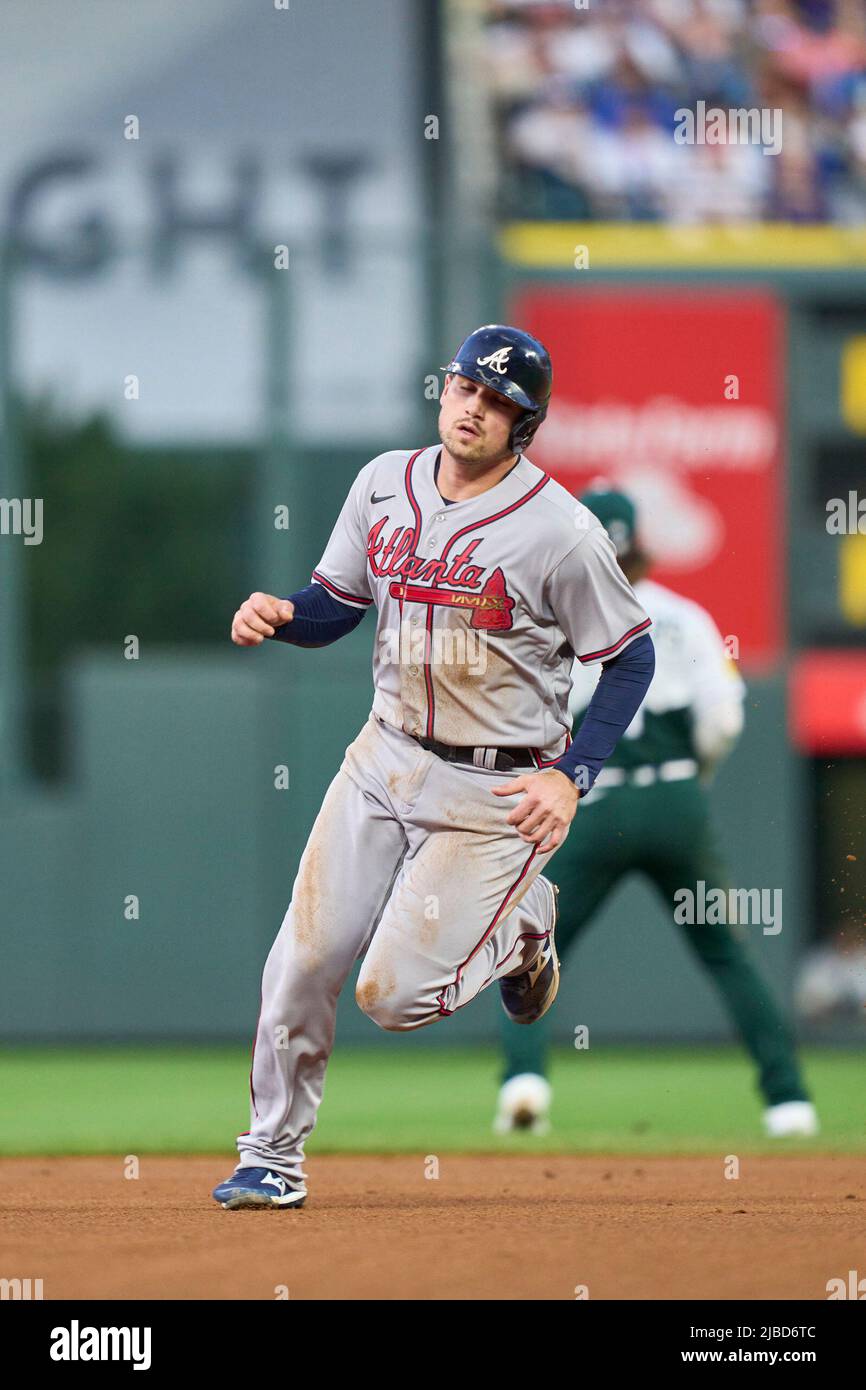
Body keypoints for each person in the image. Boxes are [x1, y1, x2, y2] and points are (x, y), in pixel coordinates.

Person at [211, 327, 655, 1209]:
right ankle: (272, 1155)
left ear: (523, 425)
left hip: (497, 788)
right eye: (465, 389)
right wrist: (281, 614)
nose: (474, 410)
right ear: (444, 388)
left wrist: (573, 775)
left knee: (393, 996)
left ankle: (527, 927)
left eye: (498, 404)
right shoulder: (384, 482)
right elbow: (336, 602)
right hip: (383, 758)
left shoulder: (560, 532)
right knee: (302, 962)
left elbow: (631, 657)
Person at [495, 486, 818, 1141]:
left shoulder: (556, 621)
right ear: (639, 544)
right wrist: (688, 783)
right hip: (674, 798)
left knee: (532, 943)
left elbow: (529, 725)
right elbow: (722, 719)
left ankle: (523, 1085)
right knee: (726, 953)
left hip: (593, 802)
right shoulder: (685, 616)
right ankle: (789, 1103)